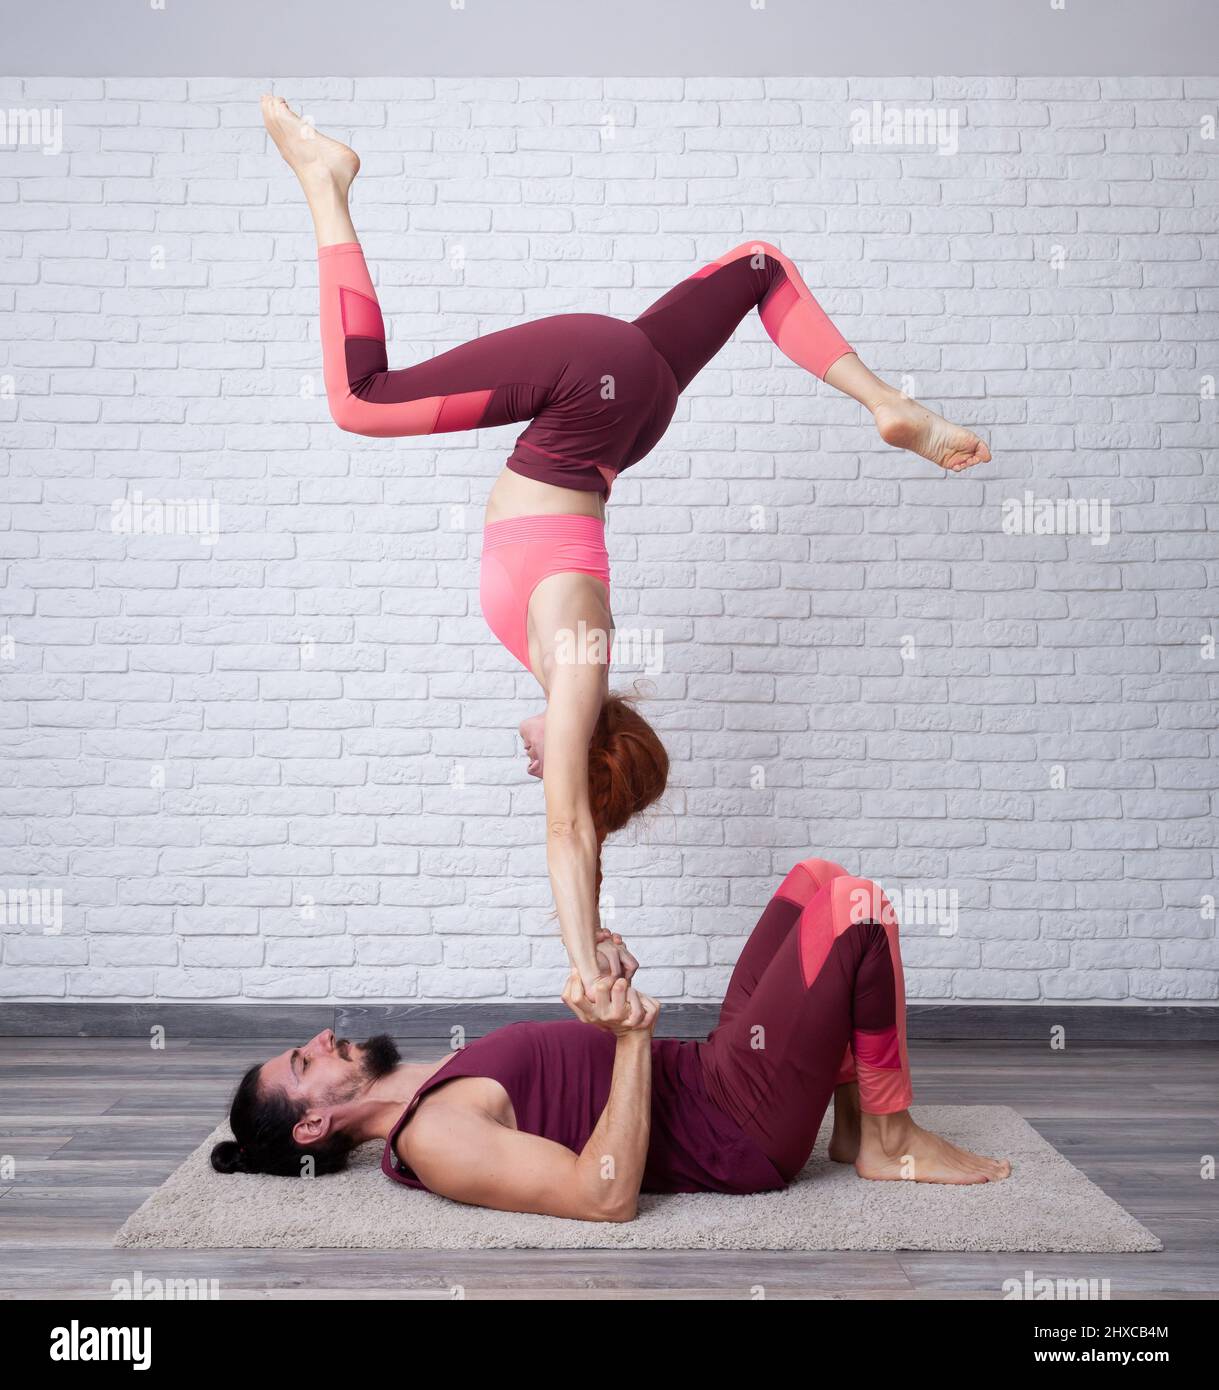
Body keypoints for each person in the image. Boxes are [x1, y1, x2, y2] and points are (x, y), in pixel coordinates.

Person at [261, 94, 992, 998]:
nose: (532, 764)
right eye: (556, 764)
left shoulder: (570, 660)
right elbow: (567, 826)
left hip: (627, 409)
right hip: (592, 393)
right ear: (589, 741)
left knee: (758, 267)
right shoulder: (578, 655)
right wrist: (583, 967)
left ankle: (885, 400)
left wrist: (598, 926)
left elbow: (582, 825)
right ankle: (326, 182)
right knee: (360, 399)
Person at [211, 857, 1010, 1216]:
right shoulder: (433, 1138)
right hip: (737, 1126)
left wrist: (601, 957)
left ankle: (850, 1131)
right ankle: (889, 1138)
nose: (320, 1039)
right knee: (856, 910)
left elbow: (564, 1067)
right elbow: (602, 1197)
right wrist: (632, 1038)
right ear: (312, 1122)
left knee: (816, 881)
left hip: (706, 1067)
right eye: (303, 1061)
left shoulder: (430, 1078)